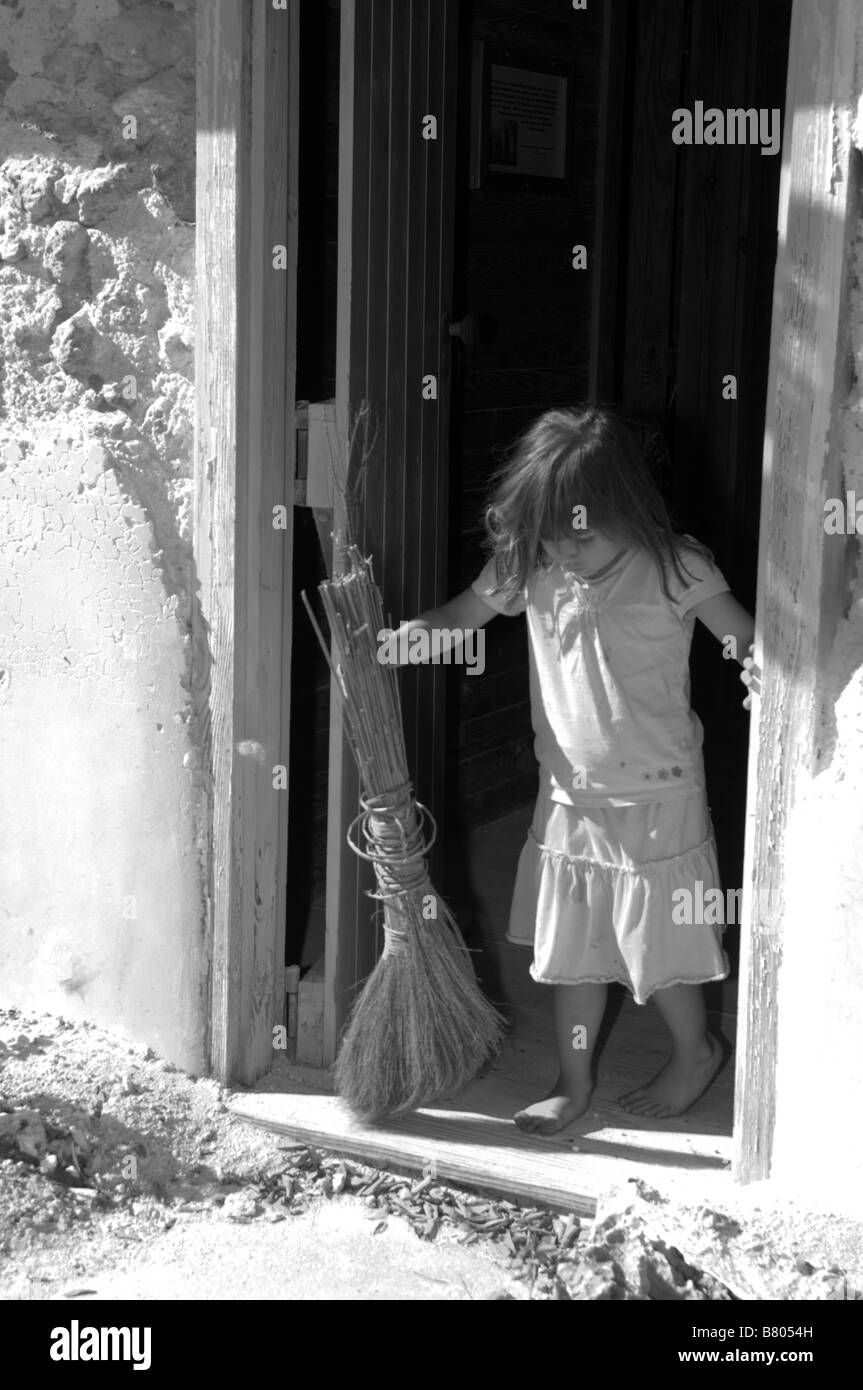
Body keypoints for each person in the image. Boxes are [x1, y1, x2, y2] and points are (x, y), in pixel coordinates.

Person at [389, 405, 759, 1135]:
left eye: (580, 529)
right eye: (548, 532)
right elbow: (459, 620)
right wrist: (403, 639)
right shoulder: (528, 565)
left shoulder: (676, 564)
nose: (564, 547)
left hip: (659, 795)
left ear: (624, 504)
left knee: (662, 946)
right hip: (565, 795)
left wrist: (760, 671)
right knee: (576, 948)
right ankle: (571, 1078)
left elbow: (742, 638)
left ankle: (695, 1050)